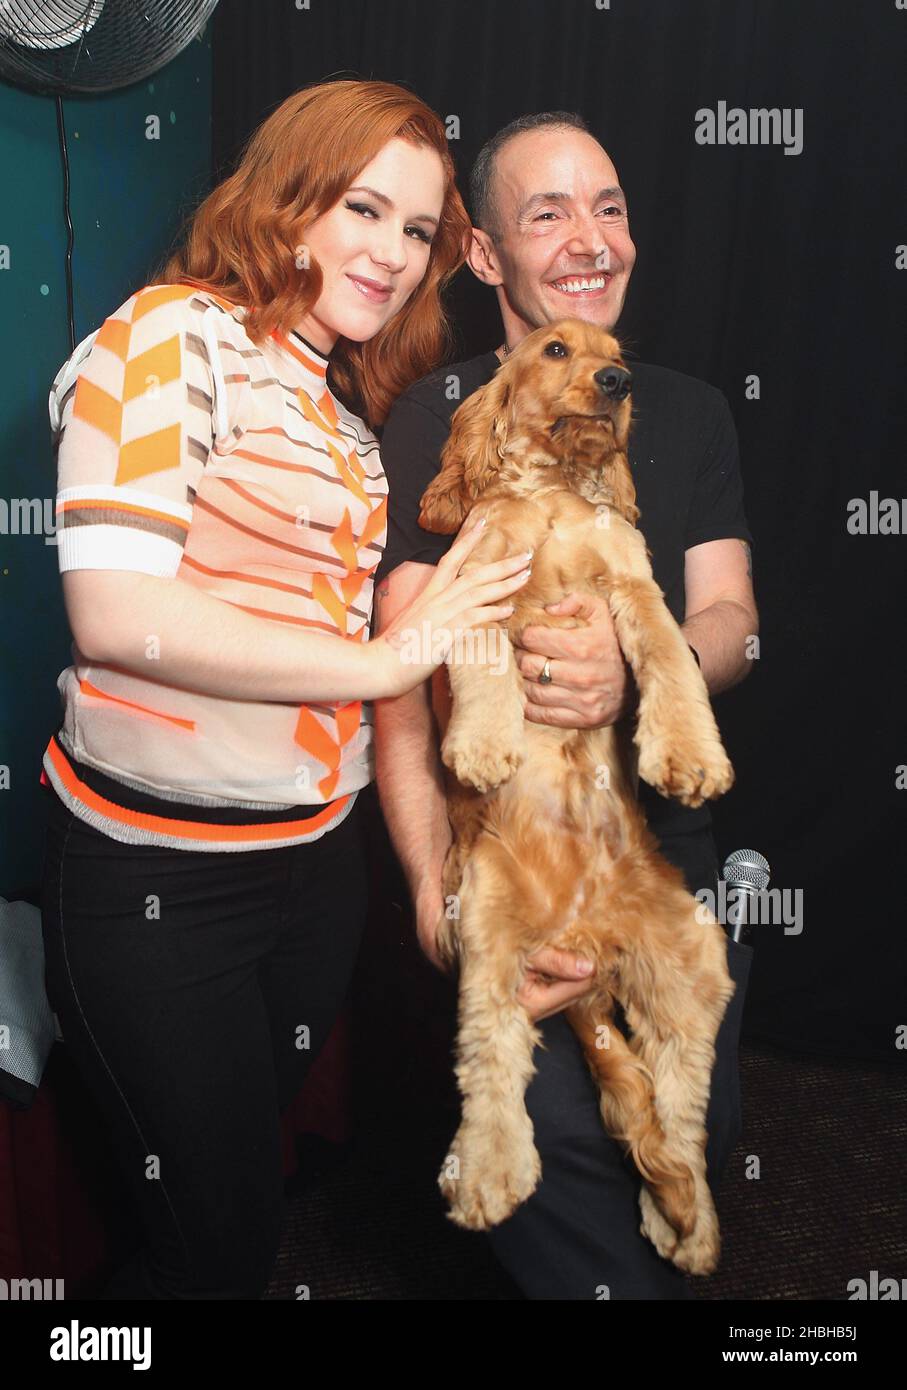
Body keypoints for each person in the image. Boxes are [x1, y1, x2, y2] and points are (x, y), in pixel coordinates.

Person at [38, 79, 533, 1301]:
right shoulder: (171, 336)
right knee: (219, 1246)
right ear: (287, 196)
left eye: (418, 231)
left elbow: (350, 625)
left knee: (225, 1202)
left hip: (311, 871)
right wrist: (390, 662)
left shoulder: (343, 413)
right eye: (364, 207)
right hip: (161, 884)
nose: (391, 252)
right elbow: (118, 616)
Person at [373, 111, 759, 1299]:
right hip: (508, 850)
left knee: (686, 1134)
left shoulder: (679, 407)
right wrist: (438, 904)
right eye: (547, 212)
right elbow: (400, 679)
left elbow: (731, 619)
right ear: (484, 253)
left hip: (655, 845)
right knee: (564, 1186)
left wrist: (643, 667)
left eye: (610, 207)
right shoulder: (432, 412)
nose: (591, 237)